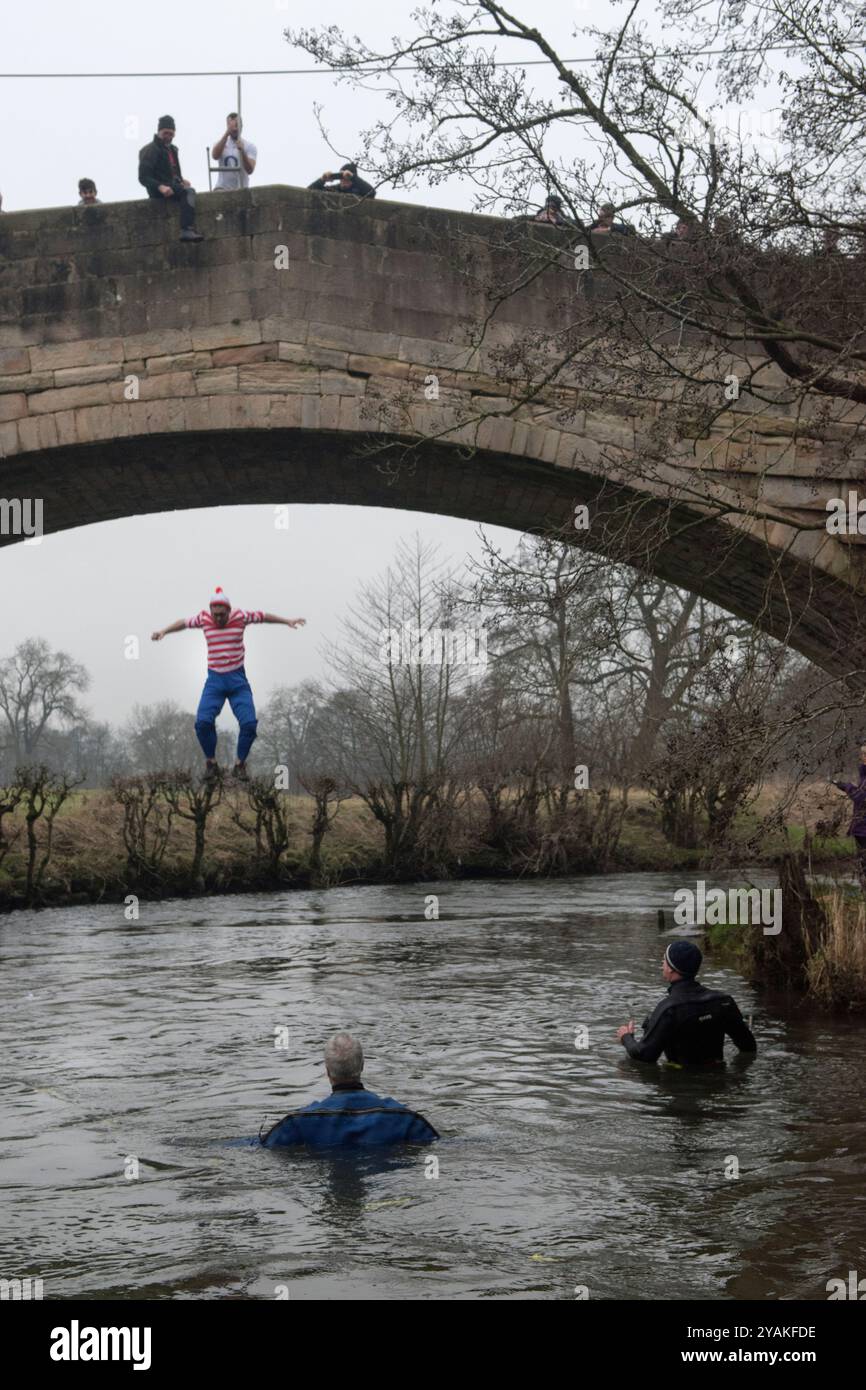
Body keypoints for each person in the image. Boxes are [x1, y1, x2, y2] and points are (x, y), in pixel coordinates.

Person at [150, 587, 306, 779]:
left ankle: (240, 765)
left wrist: (287, 621)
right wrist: (164, 631)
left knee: (249, 724)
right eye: (215, 615)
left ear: (229, 611)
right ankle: (211, 764)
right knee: (202, 723)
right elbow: (183, 623)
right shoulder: (203, 618)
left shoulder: (241, 617)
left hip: (238, 682)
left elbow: (264, 616)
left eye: (222, 615)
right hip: (214, 681)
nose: (219, 619)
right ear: (210, 611)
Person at [261, 1033, 439, 1148]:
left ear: (328, 1071)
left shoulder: (296, 1124)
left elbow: (260, 1149)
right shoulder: (408, 1121)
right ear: (362, 1066)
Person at [616, 940, 757, 1067]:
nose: (661, 963)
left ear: (671, 968)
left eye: (664, 960)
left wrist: (626, 1038)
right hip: (718, 1084)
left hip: (679, 1088)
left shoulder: (669, 1009)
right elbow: (748, 1046)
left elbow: (645, 1056)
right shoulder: (723, 1001)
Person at [138, 115, 203, 242]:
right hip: (158, 189)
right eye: (165, 133)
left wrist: (181, 180)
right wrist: (160, 187)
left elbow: (172, 172)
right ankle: (186, 230)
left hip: (171, 185)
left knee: (188, 189)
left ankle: (188, 230)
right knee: (188, 192)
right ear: (159, 132)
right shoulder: (150, 150)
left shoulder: (172, 149)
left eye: (171, 134)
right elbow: (143, 177)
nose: (168, 136)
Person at [832, 746, 866, 887]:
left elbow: (861, 797)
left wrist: (846, 786)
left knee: (864, 862)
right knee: (862, 862)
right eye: (863, 755)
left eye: (865, 755)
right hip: (861, 827)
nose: (863, 758)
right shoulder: (863, 776)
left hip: (864, 828)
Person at [211, 112, 257, 191]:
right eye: (231, 125)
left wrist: (242, 151)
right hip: (222, 188)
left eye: (236, 125)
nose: (234, 129)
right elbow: (215, 156)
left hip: (241, 188)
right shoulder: (221, 143)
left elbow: (250, 170)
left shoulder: (249, 146)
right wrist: (226, 134)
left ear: (241, 126)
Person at [308, 161, 376, 198]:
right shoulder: (335, 189)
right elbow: (309, 191)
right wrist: (322, 180)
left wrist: (353, 177)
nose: (343, 180)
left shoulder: (360, 190)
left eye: (347, 178)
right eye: (341, 177)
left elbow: (371, 193)